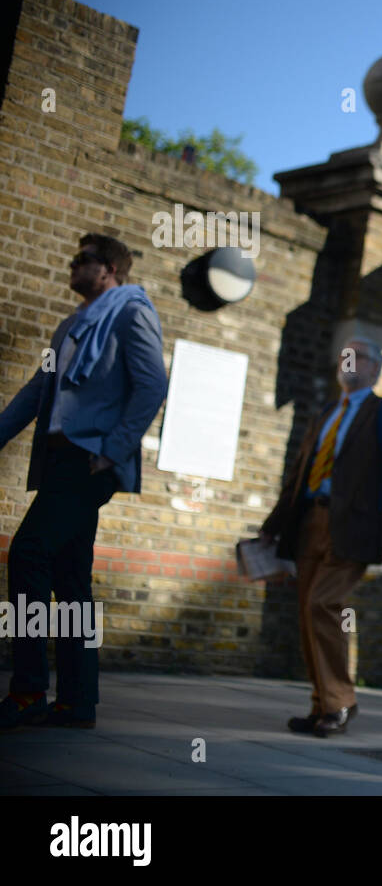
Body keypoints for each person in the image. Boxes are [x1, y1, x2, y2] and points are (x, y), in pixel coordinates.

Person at [0, 234, 168, 729]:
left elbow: (153, 383)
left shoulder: (130, 313)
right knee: (71, 579)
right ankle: (77, 702)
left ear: (110, 268)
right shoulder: (70, 327)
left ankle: (29, 689)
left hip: (89, 460)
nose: (73, 266)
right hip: (57, 460)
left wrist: (112, 450)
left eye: (84, 260)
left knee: (29, 552)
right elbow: (39, 390)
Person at [260, 337, 382, 737]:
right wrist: (273, 525)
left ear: (375, 370)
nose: (347, 360)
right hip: (310, 521)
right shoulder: (327, 411)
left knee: (323, 604)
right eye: (343, 354)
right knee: (308, 613)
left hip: (354, 527)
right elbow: (299, 471)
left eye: (357, 355)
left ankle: (340, 701)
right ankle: (321, 705)